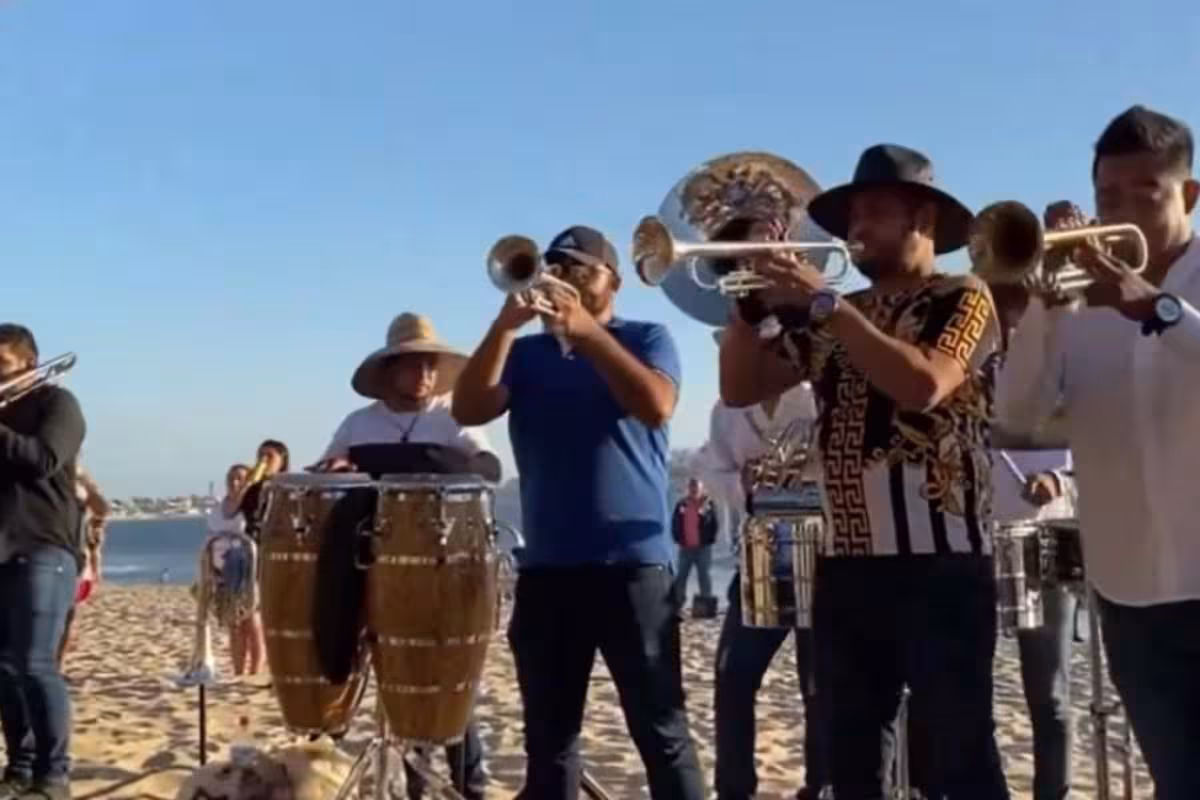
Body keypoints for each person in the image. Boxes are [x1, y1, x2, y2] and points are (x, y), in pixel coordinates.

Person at [719, 144, 1009, 800]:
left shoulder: (965, 295)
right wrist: (746, 302)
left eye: (874, 212)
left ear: (925, 219)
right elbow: (743, 386)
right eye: (852, 215)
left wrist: (825, 304)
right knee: (849, 755)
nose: (856, 229)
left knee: (959, 754)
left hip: (943, 563)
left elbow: (925, 384)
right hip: (849, 563)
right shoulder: (837, 312)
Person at [453, 225, 705, 800]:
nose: (561, 278)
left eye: (578, 269)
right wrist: (502, 326)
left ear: (612, 282)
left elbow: (656, 406)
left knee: (661, 732)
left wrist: (587, 333)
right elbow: (468, 406)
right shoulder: (524, 353)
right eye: (554, 267)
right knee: (548, 741)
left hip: (633, 569)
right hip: (547, 569)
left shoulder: (646, 336)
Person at [996, 105, 1200, 799]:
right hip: (1128, 591)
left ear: (1189, 196)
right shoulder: (1078, 306)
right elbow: (1016, 413)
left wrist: (1160, 311)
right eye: (1109, 196)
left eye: (1147, 192)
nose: (1125, 210)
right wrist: (1045, 312)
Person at [314, 311, 500, 800]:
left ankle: (468, 784)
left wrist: (427, 463)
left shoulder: (452, 414)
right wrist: (335, 470)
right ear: (390, 371)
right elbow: (329, 474)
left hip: (440, 566)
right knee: (376, 666)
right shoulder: (358, 424)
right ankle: (402, 784)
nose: (424, 376)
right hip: (373, 566)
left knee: (448, 678)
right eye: (414, 366)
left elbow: (487, 467)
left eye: (431, 366)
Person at [701, 370, 829, 800]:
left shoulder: (818, 398)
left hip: (823, 552)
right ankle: (734, 790)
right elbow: (713, 469)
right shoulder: (725, 408)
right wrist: (744, 487)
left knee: (819, 684)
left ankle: (820, 785)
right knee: (732, 675)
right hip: (760, 549)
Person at [988, 283, 1080, 800]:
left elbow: (1101, 449)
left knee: (1049, 695)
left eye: (1020, 311)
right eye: (1003, 313)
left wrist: (1060, 482)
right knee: (966, 691)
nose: (1012, 325)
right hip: (976, 542)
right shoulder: (974, 372)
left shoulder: (1068, 374)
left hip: (1046, 538)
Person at [0, 323, 86, 800]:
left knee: (35, 663)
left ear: (29, 365)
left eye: (1, 367)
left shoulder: (57, 405)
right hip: (1, 548)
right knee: (4, 667)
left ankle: (54, 775)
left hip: (44, 546)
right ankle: (20, 767)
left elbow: (44, 458)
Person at [204, 463, 261, 677]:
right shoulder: (218, 509)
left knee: (251, 622)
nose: (235, 482)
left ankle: (255, 671)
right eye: (231, 478)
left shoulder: (252, 506)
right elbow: (210, 535)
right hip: (221, 569)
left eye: (240, 478)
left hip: (247, 567)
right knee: (234, 624)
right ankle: (239, 671)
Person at [57, 464, 112, 669]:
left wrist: (83, 480)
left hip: (76, 559)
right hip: (55, 554)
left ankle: (57, 667)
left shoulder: (80, 480)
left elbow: (103, 509)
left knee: (68, 618)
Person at [669, 478, 719, 618]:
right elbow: (675, 522)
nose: (693, 491)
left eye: (696, 489)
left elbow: (714, 524)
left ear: (701, 489)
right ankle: (677, 607)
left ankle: (706, 609)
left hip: (703, 548)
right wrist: (677, 538)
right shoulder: (682, 504)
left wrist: (709, 540)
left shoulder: (708, 504)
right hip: (685, 548)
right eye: (691, 488)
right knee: (681, 577)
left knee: (704, 577)